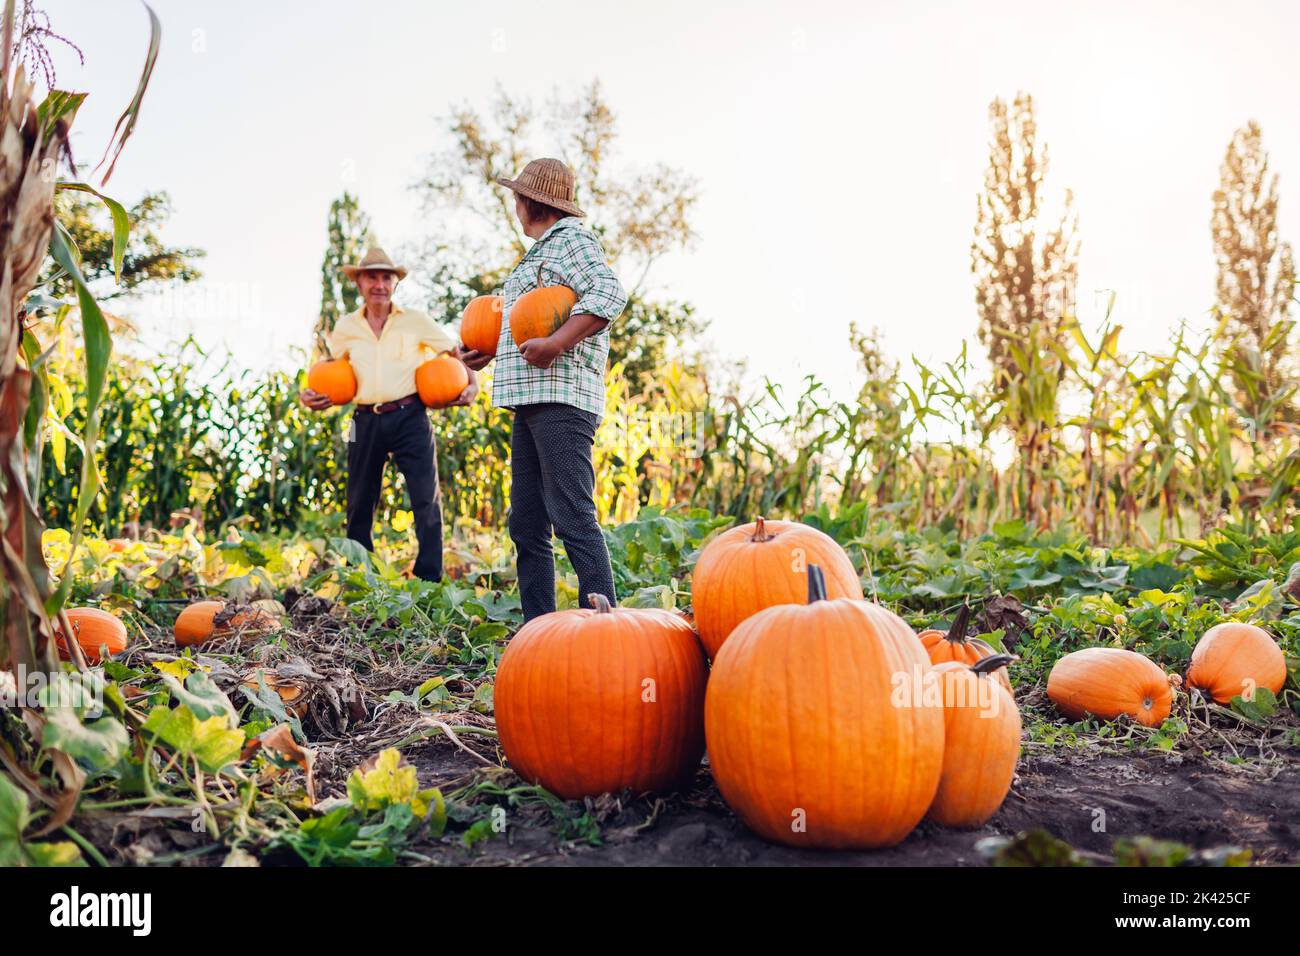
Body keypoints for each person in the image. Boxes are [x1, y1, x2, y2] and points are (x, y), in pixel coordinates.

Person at [459, 158, 627, 621]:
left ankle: (605, 629)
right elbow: (535, 319)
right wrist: (487, 350)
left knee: (571, 514)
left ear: (528, 201)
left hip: (562, 400)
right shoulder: (541, 253)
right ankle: (540, 633)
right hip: (532, 400)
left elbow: (608, 292)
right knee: (527, 524)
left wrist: (556, 344)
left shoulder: (571, 239)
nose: (513, 205)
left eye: (516, 197)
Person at [300, 245, 476, 581]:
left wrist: (473, 384)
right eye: (371, 278)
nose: (379, 284)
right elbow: (333, 372)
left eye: (386, 278)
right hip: (364, 419)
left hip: (410, 414)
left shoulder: (415, 321)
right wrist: (309, 395)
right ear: (359, 284)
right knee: (359, 501)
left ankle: (428, 580)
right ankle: (360, 576)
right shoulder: (346, 327)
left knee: (426, 499)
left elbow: (455, 351)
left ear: (395, 283)